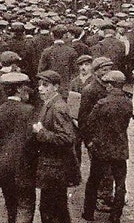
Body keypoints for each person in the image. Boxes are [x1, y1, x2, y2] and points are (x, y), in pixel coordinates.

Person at [0, 71, 37, 223]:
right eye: (25, 87)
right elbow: (33, 140)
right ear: (19, 89)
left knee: (11, 207)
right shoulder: (28, 111)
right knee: (26, 206)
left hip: (5, 167)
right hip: (25, 166)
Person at [81, 70, 132, 223]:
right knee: (120, 183)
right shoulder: (128, 103)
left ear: (111, 85)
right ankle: (115, 216)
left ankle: (88, 213)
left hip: (101, 148)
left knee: (93, 181)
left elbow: (89, 123)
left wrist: (91, 141)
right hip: (120, 149)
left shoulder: (102, 104)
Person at [33, 70, 80, 223]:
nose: (40, 88)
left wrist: (41, 133)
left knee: (51, 210)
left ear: (56, 87)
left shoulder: (58, 107)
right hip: (52, 167)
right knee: (56, 209)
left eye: (45, 85)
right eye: (39, 85)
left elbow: (67, 138)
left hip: (55, 168)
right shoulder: (50, 104)